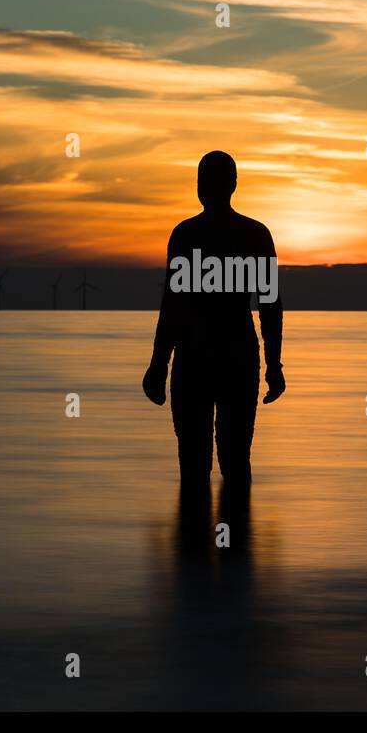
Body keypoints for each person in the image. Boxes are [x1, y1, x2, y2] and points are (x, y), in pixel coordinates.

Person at [142, 150, 284, 486]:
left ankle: (201, 533)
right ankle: (230, 533)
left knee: (202, 463)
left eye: (207, 180)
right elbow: (270, 306)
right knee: (230, 462)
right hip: (233, 356)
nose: (203, 187)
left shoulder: (187, 235)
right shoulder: (254, 234)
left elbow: (173, 306)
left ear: (230, 185)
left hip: (198, 357)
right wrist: (274, 366)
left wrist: (159, 363)